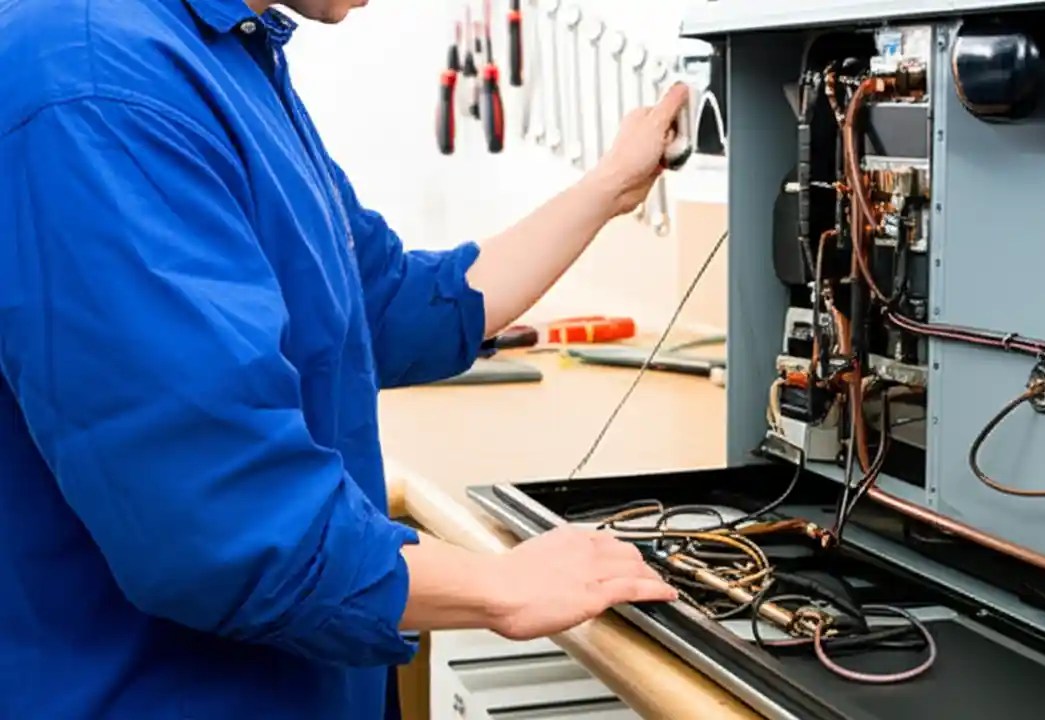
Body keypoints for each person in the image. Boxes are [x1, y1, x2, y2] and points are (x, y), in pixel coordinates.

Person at [0, 0, 684, 718]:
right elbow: (224, 522)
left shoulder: (229, 59)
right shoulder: (93, 84)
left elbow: (386, 307)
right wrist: (500, 588)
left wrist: (607, 189)